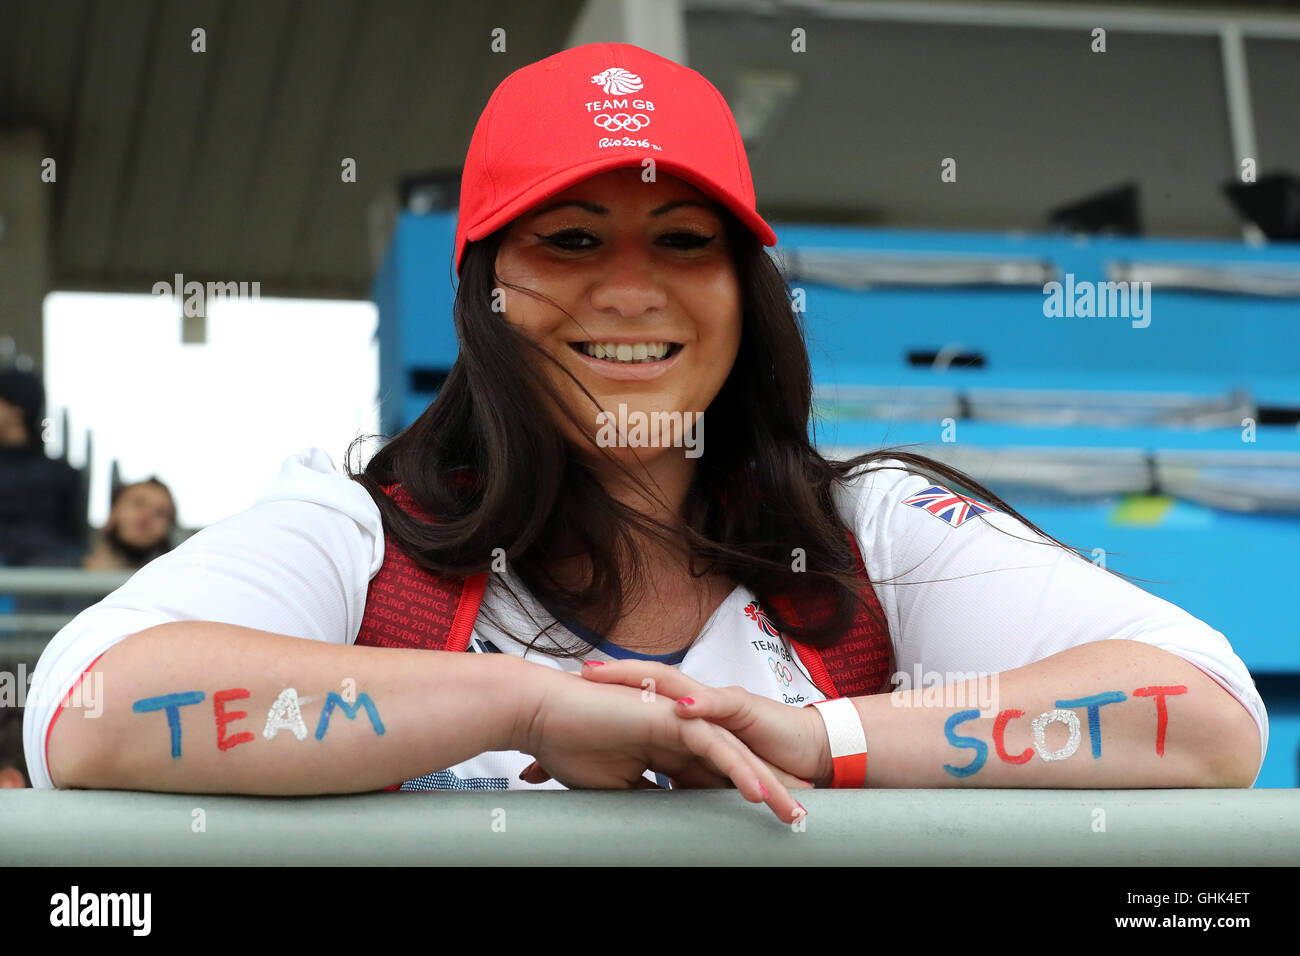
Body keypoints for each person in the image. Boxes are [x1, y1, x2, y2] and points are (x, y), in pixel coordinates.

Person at [25, 43, 1265, 822]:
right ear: (483, 289)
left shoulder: (869, 528)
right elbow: (87, 703)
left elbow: (1208, 709)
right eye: (569, 241)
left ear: (745, 292)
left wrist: (822, 736)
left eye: (684, 242)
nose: (632, 289)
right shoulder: (360, 523)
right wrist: (525, 707)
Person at [0, 368, 85, 568]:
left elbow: (73, 542)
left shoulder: (61, 475)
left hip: (44, 586)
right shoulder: (61, 474)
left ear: (16, 412)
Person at [82, 478, 177, 572]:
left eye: (160, 513)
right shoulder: (69, 567)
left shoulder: (174, 583)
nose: (146, 516)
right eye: (138, 503)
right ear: (113, 511)